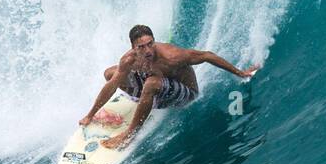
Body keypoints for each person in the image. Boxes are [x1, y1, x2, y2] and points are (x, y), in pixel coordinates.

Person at [79, 24, 260, 149]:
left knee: (151, 83)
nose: (148, 50)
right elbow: (111, 86)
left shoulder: (172, 56)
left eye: (150, 44)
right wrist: (90, 115)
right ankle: (144, 101)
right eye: (141, 47)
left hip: (185, 94)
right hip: (157, 89)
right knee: (110, 74)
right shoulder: (129, 59)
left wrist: (241, 73)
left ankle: (130, 133)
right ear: (133, 47)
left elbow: (207, 55)